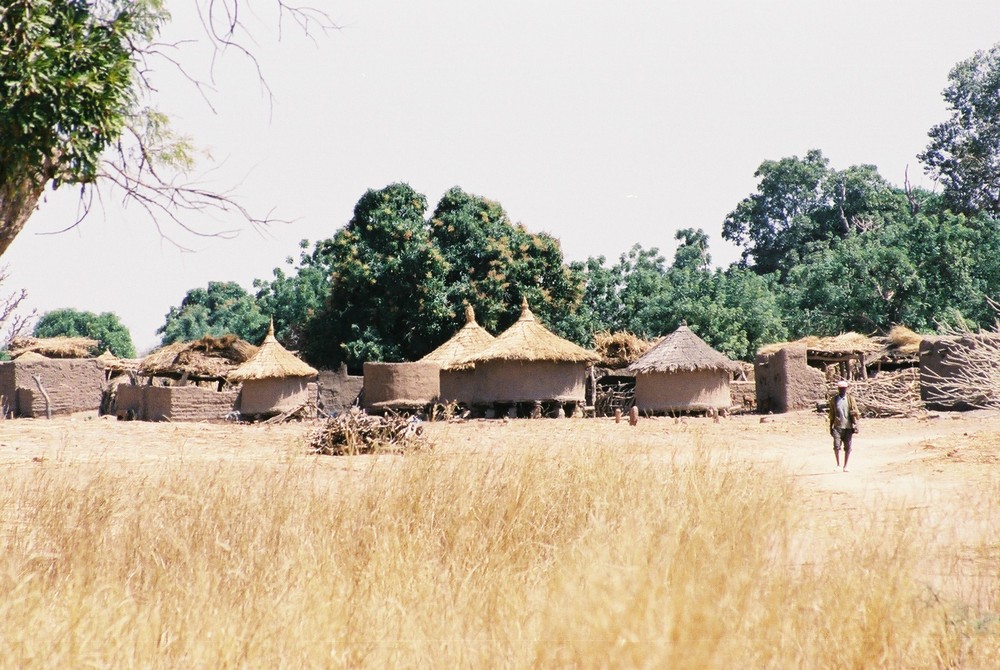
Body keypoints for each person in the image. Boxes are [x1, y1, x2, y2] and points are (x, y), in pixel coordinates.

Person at [828, 380, 860, 471]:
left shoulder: (850, 399)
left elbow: (856, 413)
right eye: (841, 388)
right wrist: (830, 427)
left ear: (846, 389)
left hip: (848, 426)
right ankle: (838, 465)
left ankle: (845, 466)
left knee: (848, 447)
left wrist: (856, 424)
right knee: (836, 445)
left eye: (844, 388)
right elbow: (831, 414)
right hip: (837, 426)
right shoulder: (834, 400)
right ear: (838, 389)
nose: (842, 390)